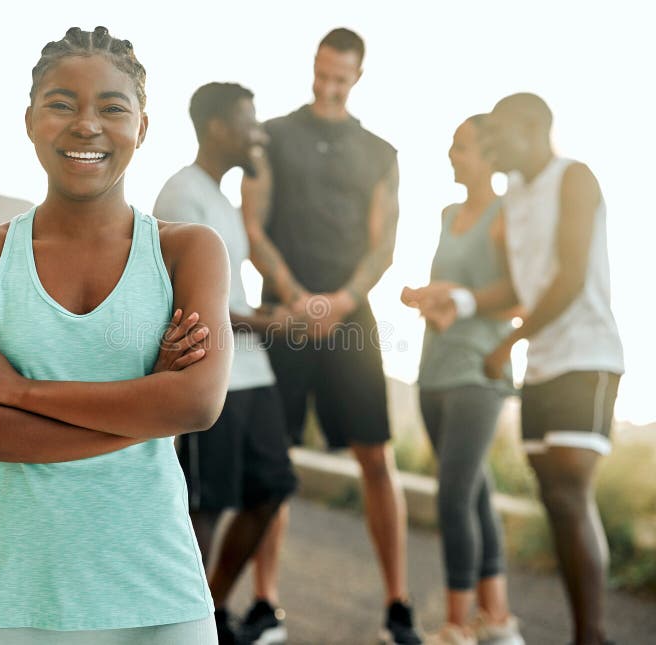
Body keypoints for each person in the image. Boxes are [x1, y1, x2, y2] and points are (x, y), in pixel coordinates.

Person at [0, 26, 233, 645]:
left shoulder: (187, 251)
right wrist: (148, 402)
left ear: (142, 127)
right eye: (62, 103)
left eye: (112, 108)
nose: (86, 125)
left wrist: (17, 392)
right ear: (30, 120)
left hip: (162, 597)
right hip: (21, 599)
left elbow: (197, 404)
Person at [421, 93, 624, 645]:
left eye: (496, 137)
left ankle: (591, 635)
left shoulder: (573, 178)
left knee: (569, 496)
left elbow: (572, 276)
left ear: (533, 127)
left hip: (587, 358)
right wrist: (457, 302)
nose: (490, 148)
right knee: (554, 500)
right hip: (541, 365)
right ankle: (546, 626)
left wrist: (508, 340)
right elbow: (517, 285)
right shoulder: (516, 200)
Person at [241, 27, 421, 645]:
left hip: (351, 316)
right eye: (323, 68)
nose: (329, 80)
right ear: (313, 64)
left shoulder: (380, 152)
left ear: (358, 74)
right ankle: (265, 603)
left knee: (375, 456)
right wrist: (296, 296)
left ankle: (398, 607)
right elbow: (252, 225)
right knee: (273, 455)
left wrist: (342, 300)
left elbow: (385, 244)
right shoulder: (274, 135)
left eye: (342, 72)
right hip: (284, 314)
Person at [152, 81, 297, 645]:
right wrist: (269, 322)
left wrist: (263, 314)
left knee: (273, 487)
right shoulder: (181, 195)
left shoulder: (224, 203)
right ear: (217, 127)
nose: (257, 133)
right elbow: (193, 303)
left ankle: (208, 612)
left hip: (253, 371)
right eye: (248, 121)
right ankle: (182, 625)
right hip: (211, 377)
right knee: (206, 504)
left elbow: (228, 296)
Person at [401, 115, 524, 645]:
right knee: (474, 495)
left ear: (491, 156)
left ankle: (456, 627)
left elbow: (519, 296)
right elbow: (450, 289)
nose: (452, 154)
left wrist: (456, 300)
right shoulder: (449, 213)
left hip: (478, 373)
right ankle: (496, 620)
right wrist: (426, 297)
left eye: (462, 147)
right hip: (433, 372)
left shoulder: (507, 216)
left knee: (452, 497)